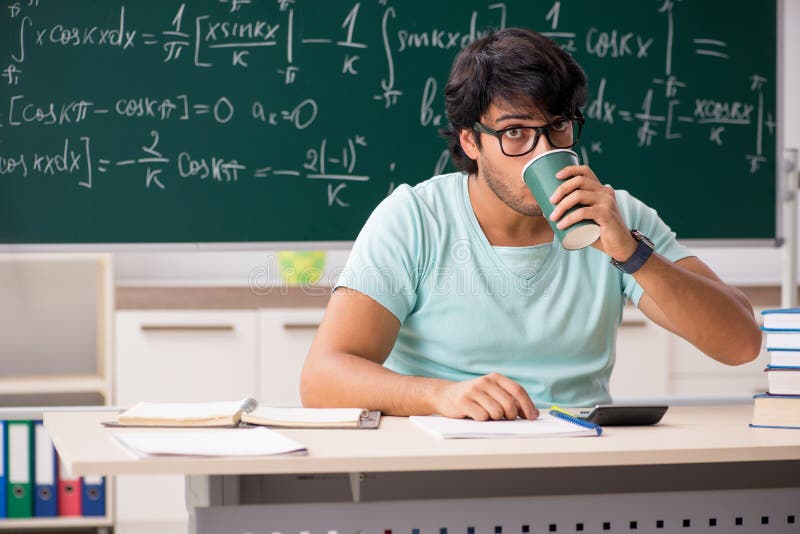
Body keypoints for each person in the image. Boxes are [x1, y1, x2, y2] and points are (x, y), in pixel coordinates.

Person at [300, 28, 761, 421]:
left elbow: (741, 343)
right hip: (449, 456)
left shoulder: (614, 215)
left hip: (581, 461)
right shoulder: (415, 219)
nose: (544, 153)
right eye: (515, 132)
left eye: (557, 126)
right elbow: (322, 378)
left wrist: (632, 255)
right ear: (471, 141)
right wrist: (440, 396)